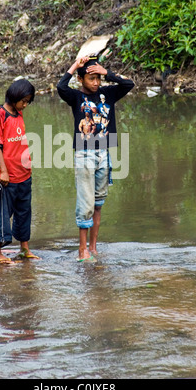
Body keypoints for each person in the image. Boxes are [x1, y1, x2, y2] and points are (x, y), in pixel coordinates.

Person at [57, 55, 135, 261]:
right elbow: (60, 86)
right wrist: (76, 65)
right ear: (81, 80)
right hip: (84, 154)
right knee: (86, 204)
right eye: (91, 79)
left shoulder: (107, 94)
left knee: (99, 203)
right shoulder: (75, 97)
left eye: (98, 78)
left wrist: (106, 73)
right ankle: (82, 250)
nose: (96, 83)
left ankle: (93, 247)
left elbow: (129, 83)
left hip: (104, 154)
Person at [0, 78, 39, 264]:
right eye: (23, 101)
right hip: (6, 176)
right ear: (14, 95)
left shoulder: (19, 114)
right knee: (3, 213)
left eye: (28, 102)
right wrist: (3, 171)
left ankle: (24, 249)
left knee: (24, 211)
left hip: (24, 173)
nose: (25, 105)